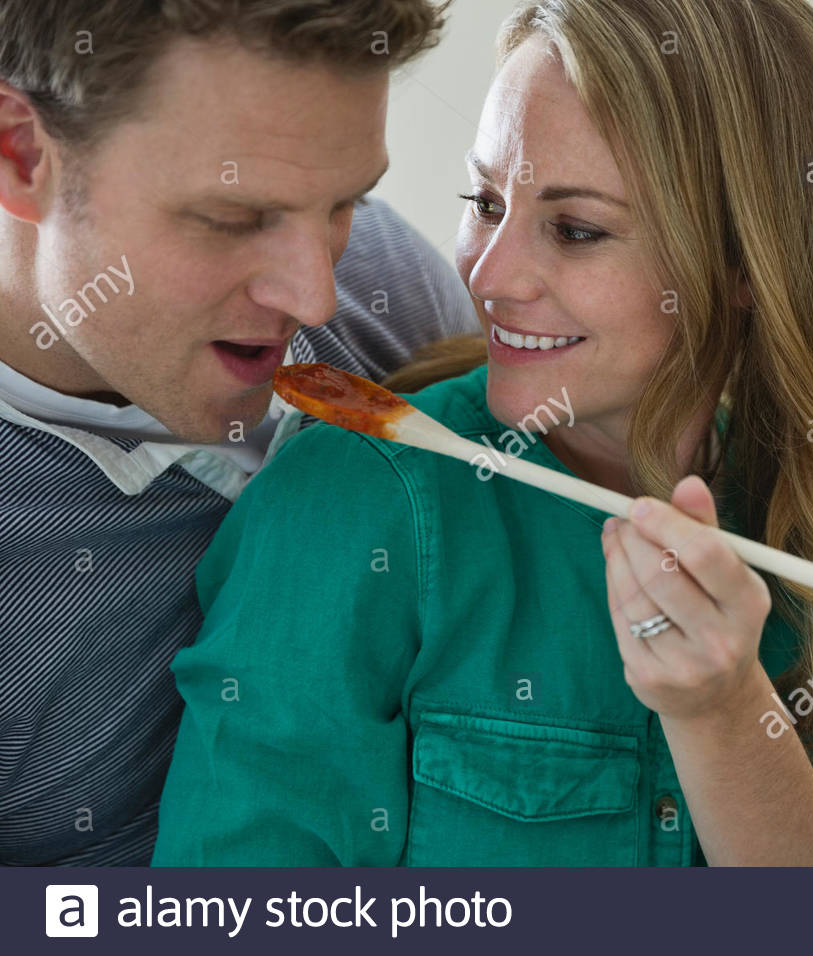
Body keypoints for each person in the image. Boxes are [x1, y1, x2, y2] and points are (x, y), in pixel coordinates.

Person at [153, 0, 813, 867]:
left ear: (748, 263)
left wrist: (723, 717)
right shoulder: (351, 508)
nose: (487, 277)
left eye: (575, 229)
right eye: (484, 200)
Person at [0, 0, 476, 866]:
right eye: (233, 220)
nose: (316, 298)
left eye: (346, 202)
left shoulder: (395, 297)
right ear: (22, 153)